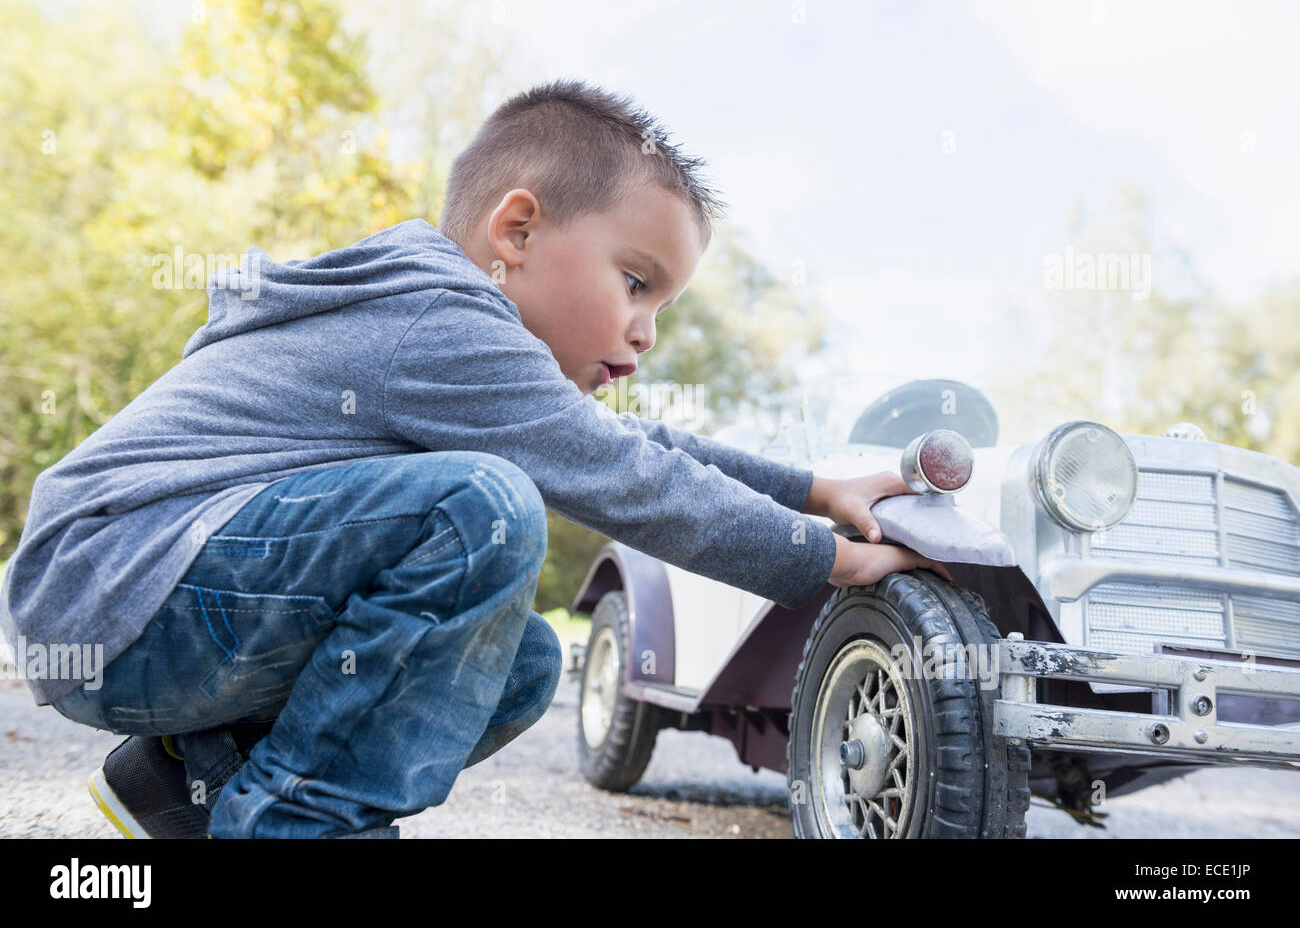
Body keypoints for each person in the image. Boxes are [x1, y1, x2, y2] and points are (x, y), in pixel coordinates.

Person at [0, 78, 950, 839]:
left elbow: (633, 447)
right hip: (110, 578)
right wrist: (822, 556)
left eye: (662, 308)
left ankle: (183, 779)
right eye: (635, 283)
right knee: (482, 508)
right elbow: (629, 478)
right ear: (517, 232)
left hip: (143, 605)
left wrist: (819, 488)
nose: (647, 331)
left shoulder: (457, 336)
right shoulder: (443, 316)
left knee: (519, 660)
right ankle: (294, 824)